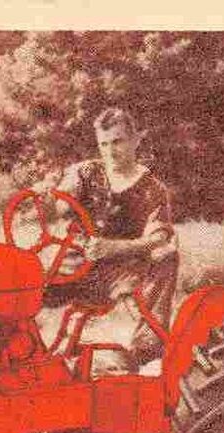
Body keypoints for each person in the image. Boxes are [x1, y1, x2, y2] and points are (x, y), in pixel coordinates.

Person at [38, 107, 179, 374]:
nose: (111, 151)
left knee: (166, 256)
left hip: (116, 275)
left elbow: (159, 236)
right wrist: (52, 198)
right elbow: (56, 205)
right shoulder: (85, 173)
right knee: (15, 279)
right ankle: (12, 355)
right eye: (104, 144)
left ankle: (148, 352)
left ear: (136, 140)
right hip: (70, 268)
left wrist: (115, 248)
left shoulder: (152, 189)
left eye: (118, 142)